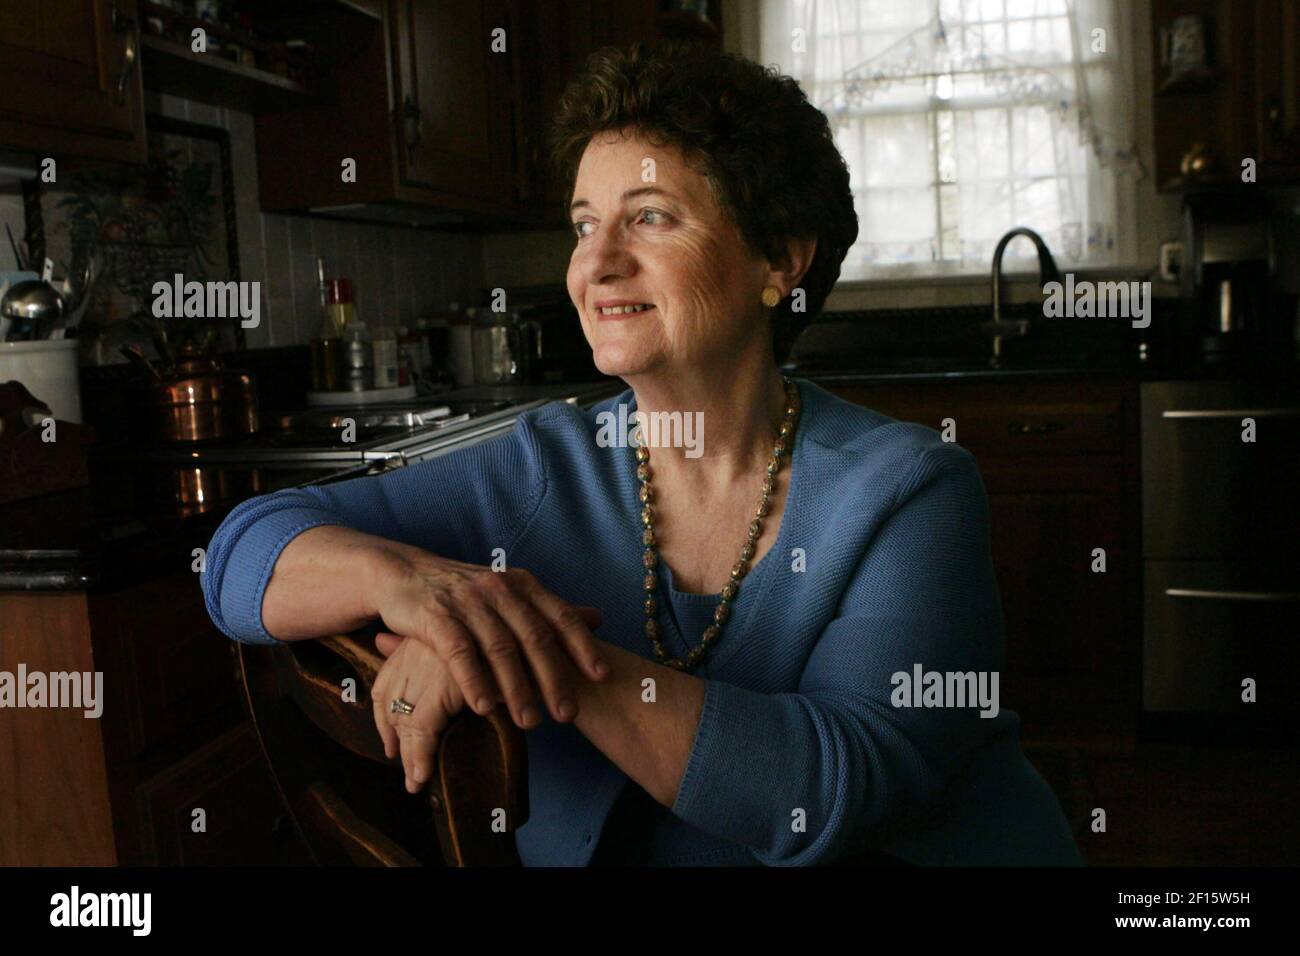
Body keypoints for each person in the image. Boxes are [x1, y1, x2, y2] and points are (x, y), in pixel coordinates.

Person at [201, 42, 1081, 866]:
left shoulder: (910, 490)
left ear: (780, 259)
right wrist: (429, 594)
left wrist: (532, 650)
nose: (597, 264)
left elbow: (833, 789)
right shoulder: (545, 467)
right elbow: (241, 551)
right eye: (585, 226)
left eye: (649, 217)